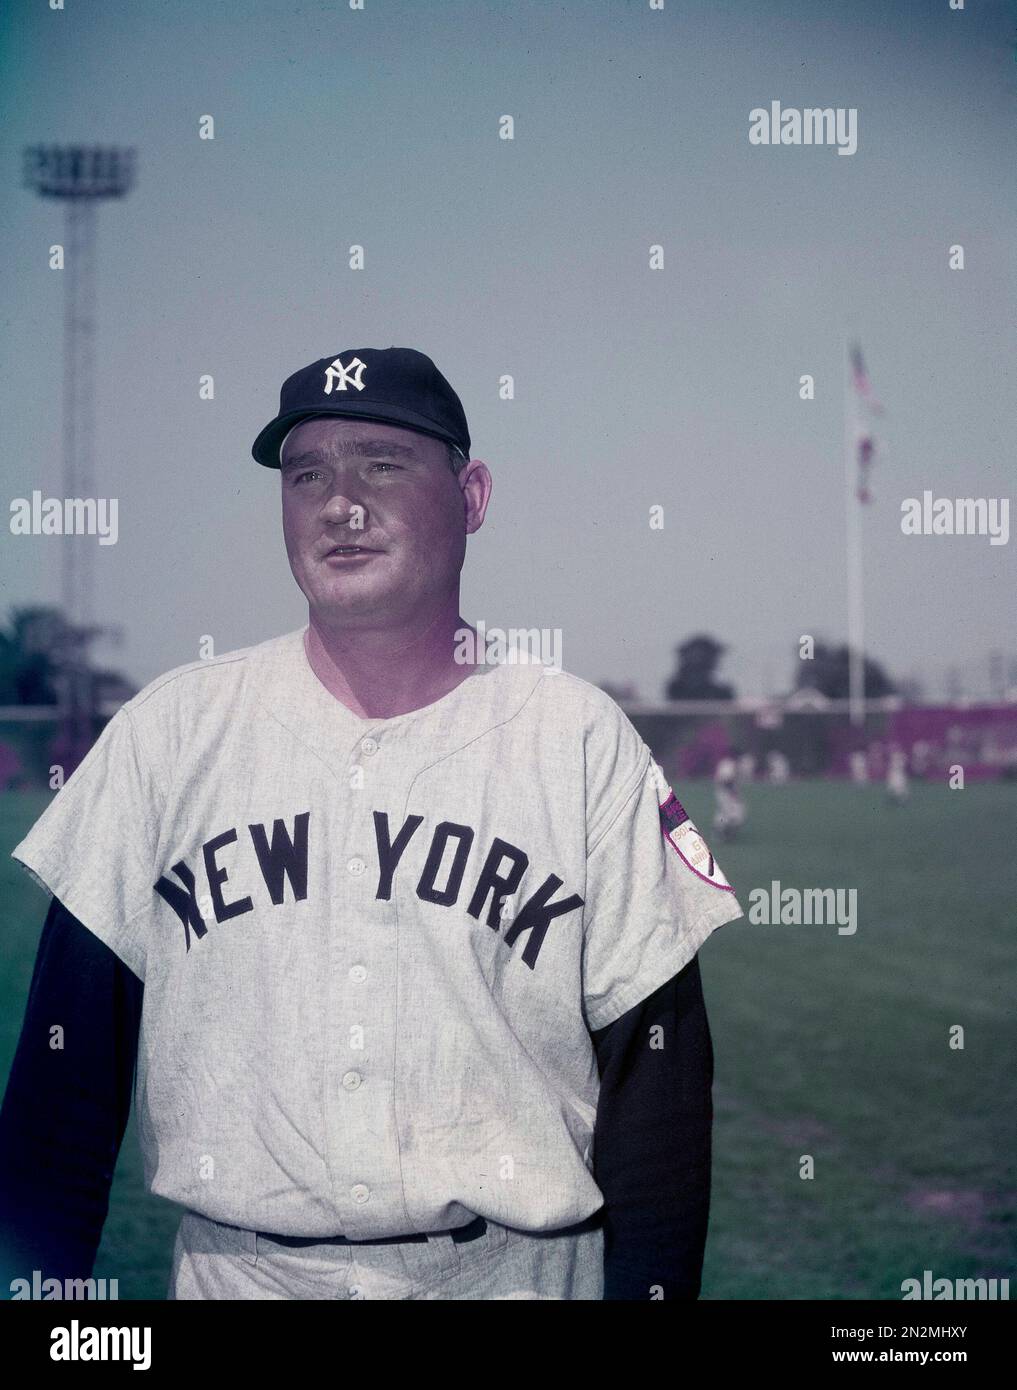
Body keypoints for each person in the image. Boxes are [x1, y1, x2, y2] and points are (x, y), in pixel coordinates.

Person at [1, 346, 743, 1301]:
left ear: (471, 495)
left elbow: (662, 1096)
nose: (339, 502)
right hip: (241, 1276)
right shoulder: (169, 733)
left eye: (382, 463)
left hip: (511, 1277)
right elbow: (61, 1095)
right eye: (306, 473)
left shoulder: (576, 739)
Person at [712, 755, 746, 842]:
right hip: (725, 793)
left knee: (736, 814)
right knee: (728, 814)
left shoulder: (731, 764)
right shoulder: (727, 765)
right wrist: (732, 792)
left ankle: (726, 834)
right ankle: (721, 834)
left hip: (729, 794)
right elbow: (725, 781)